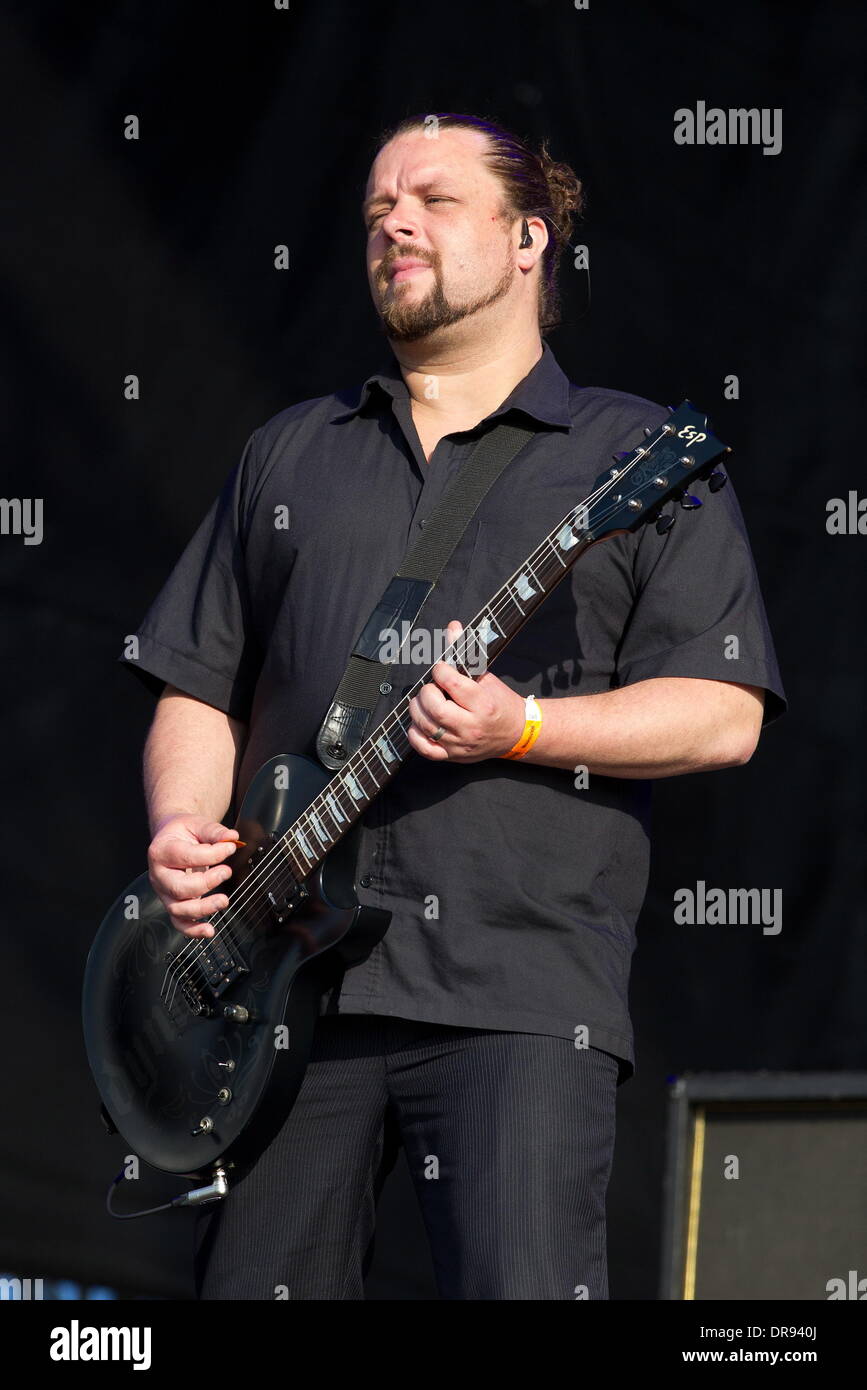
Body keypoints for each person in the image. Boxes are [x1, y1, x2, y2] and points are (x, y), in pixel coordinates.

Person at [122, 112, 786, 1300]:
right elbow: (196, 683)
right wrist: (181, 825)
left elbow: (723, 711)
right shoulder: (293, 452)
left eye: (431, 199)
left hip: (517, 991)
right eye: (377, 209)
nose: (394, 223)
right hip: (280, 1000)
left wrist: (526, 729)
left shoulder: (631, 453)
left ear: (529, 238)